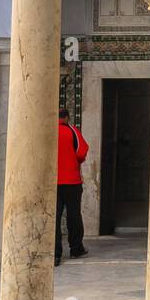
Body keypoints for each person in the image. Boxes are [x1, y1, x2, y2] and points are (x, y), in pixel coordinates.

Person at [56, 108, 89, 266]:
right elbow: (81, 152)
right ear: (67, 117)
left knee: (54, 218)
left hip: (52, 183)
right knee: (74, 215)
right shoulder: (71, 130)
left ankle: (55, 253)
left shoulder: (47, 130)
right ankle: (76, 248)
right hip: (72, 181)